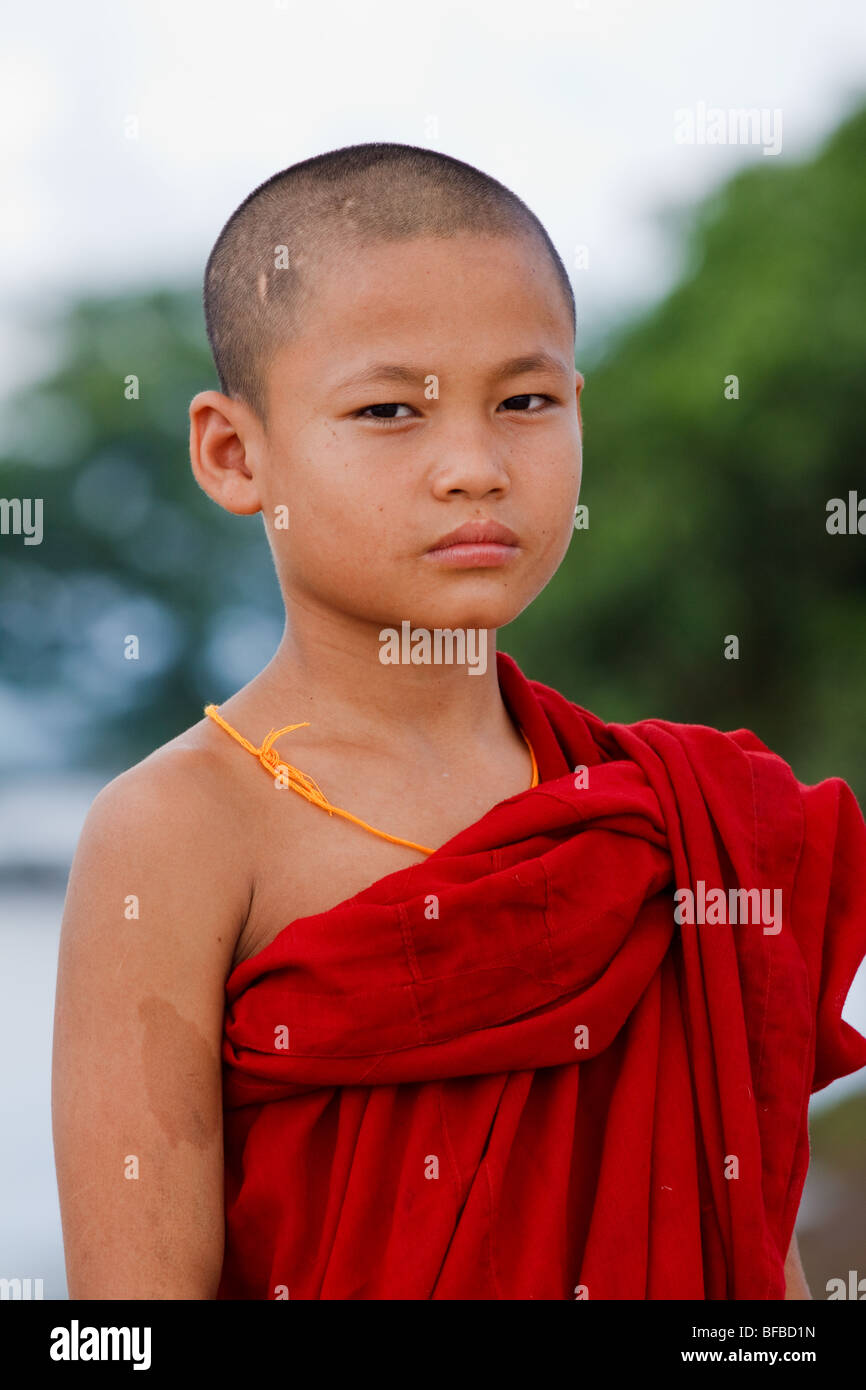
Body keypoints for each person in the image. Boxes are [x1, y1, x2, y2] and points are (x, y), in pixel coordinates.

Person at [51, 143, 865, 1300]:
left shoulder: (671, 814)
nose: (474, 466)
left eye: (524, 401)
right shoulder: (179, 830)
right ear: (235, 453)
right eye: (389, 409)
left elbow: (744, 1257)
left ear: (578, 407)